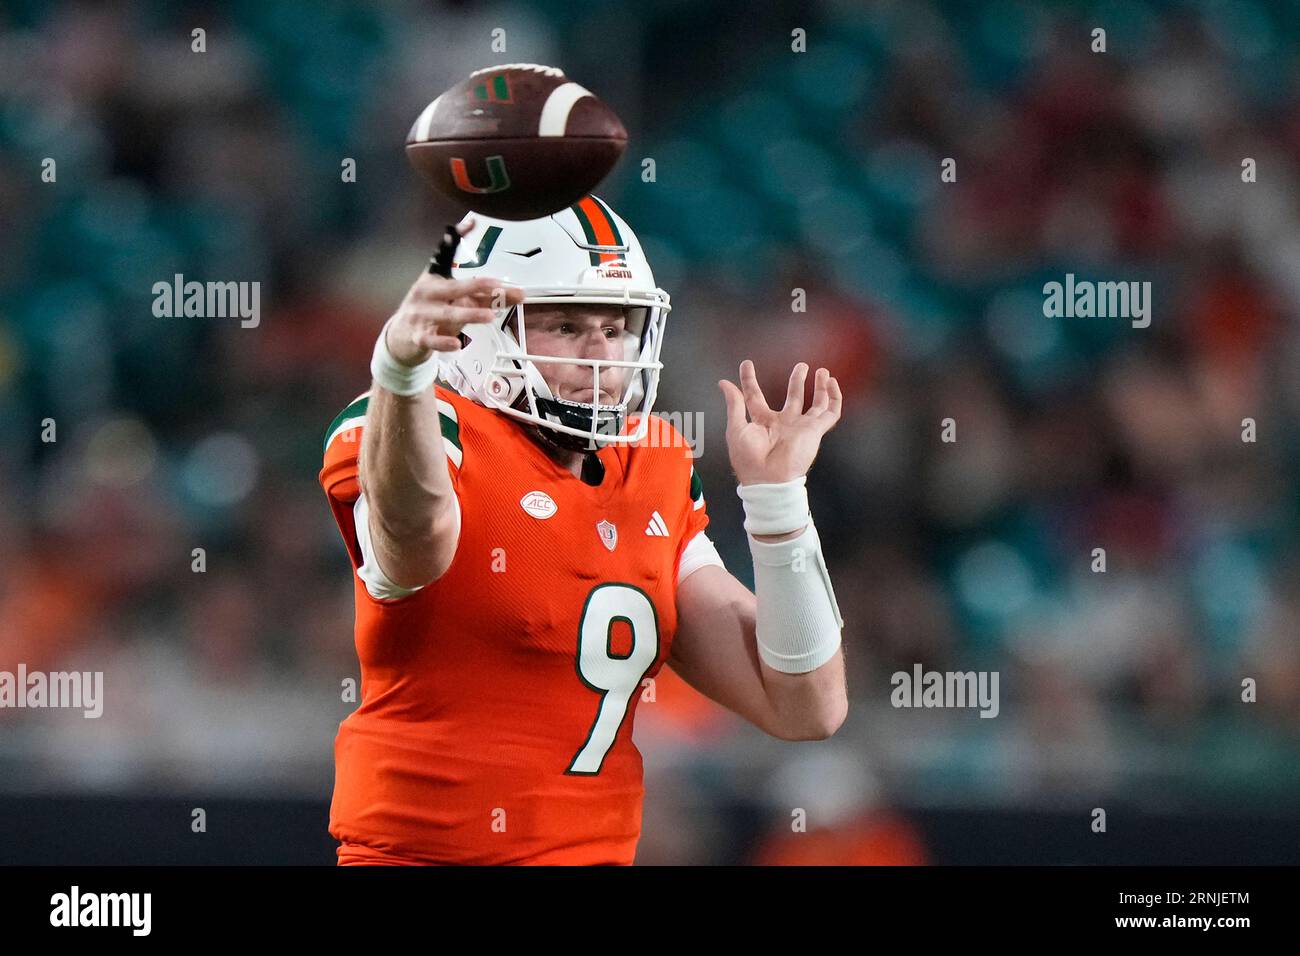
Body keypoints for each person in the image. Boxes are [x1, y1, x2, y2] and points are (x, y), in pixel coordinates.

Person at [319, 195, 848, 865]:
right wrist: (401, 374)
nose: (601, 352)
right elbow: (416, 539)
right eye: (566, 325)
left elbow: (807, 708)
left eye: (617, 325)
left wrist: (778, 504)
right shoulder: (418, 428)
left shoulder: (650, 462)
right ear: (479, 332)